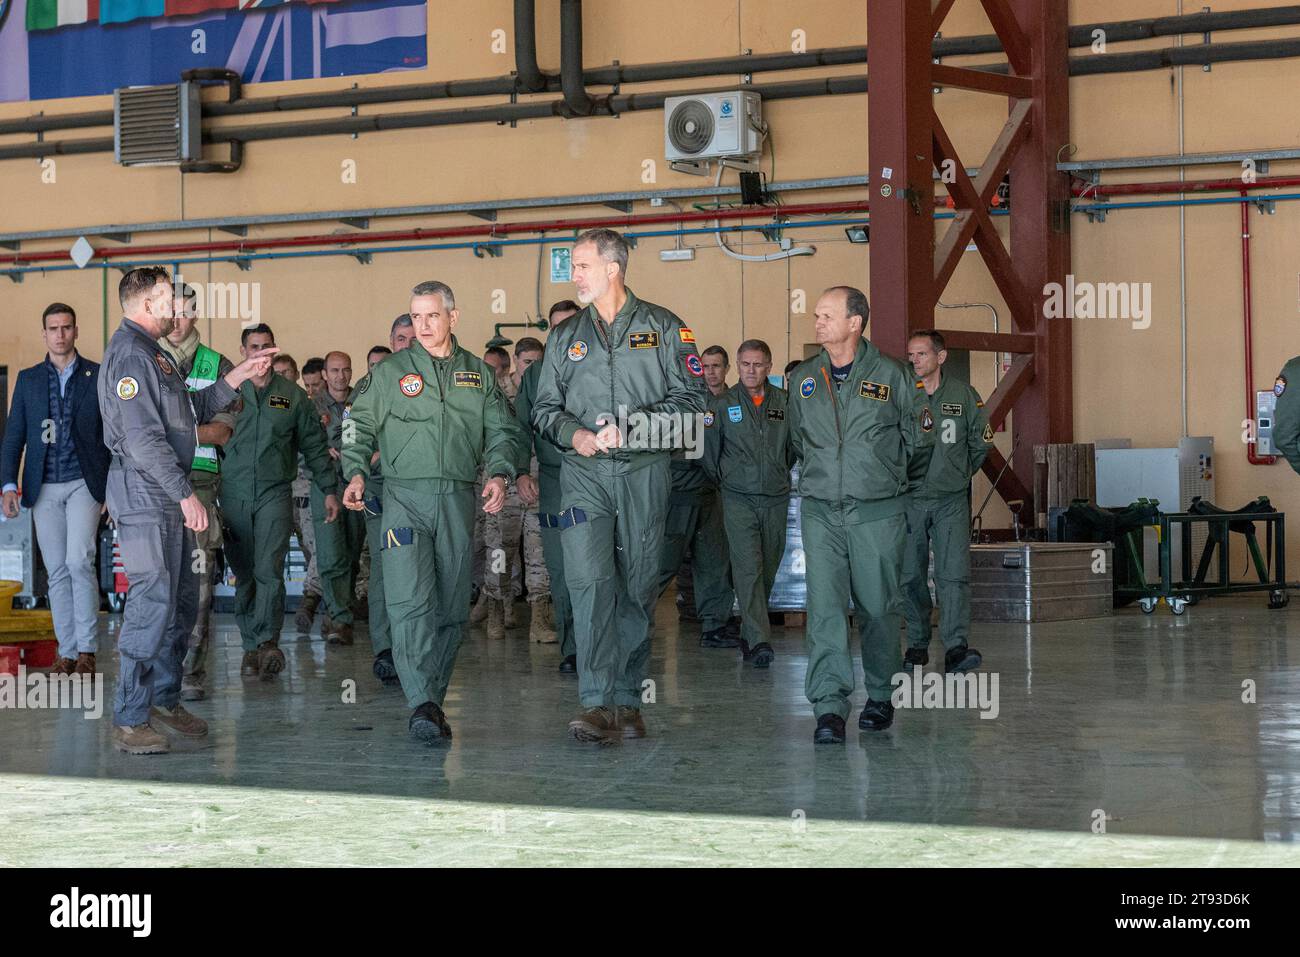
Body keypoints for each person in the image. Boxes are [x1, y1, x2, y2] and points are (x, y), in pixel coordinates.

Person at [532, 229, 707, 743]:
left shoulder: (666, 328)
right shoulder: (565, 337)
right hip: (584, 476)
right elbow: (544, 409)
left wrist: (631, 427)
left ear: (613, 268)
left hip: (643, 473)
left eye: (582, 265)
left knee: (638, 583)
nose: (573, 275)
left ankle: (628, 698)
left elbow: (694, 406)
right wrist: (576, 434)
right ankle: (596, 702)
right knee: (587, 584)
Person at [98, 266, 274, 754]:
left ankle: (163, 697)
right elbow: (143, 438)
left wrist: (237, 374)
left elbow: (188, 411)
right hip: (145, 492)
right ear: (144, 303)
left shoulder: (156, 355)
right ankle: (131, 718)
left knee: (177, 605)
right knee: (152, 601)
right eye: (166, 299)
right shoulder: (131, 355)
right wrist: (184, 493)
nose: (177, 308)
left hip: (162, 491)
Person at [341, 280, 525, 744]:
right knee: (410, 603)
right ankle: (420, 699)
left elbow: (503, 432)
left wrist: (499, 474)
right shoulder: (389, 374)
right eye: (415, 317)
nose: (422, 326)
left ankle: (431, 700)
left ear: (453, 318)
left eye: (432, 316)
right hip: (403, 500)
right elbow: (355, 425)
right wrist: (356, 471)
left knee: (450, 606)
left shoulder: (478, 375)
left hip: (458, 501)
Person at [787, 286, 916, 744]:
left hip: (876, 512)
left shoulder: (893, 375)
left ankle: (881, 694)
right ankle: (829, 707)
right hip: (821, 511)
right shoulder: (804, 378)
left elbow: (916, 442)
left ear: (855, 322)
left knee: (878, 607)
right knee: (823, 610)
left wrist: (880, 478)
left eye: (826, 315)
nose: (817, 322)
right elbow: (799, 441)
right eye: (817, 315)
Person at [222, 324, 339, 680]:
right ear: (243, 352)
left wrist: (329, 488)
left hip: (274, 492)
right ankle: (249, 645)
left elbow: (315, 445)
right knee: (243, 575)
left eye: (266, 347)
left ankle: (267, 643)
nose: (260, 352)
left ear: (274, 350)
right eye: (253, 347)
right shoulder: (227, 391)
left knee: (269, 569)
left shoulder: (291, 395)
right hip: (233, 493)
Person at [1, 302, 110, 675]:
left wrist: (112, 488)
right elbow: (13, 436)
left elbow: (111, 435)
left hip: (85, 483)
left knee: (80, 560)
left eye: (66, 327)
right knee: (57, 569)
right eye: (53, 328)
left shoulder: (97, 375)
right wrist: (8, 485)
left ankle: (88, 652)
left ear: (76, 331)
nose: (60, 334)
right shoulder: (29, 380)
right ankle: (67, 653)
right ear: (44, 334)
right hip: (42, 486)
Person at [158, 285, 240, 701]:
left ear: (196, 315)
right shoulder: (145, 359)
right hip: (153, 489)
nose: (176, 322)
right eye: (168, 313)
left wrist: (161, 435)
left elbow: (221, 431)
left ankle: (190, 674)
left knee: (198, 587)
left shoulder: (217, 364)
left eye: (184, 313)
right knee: (155, 585)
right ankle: (156, 674)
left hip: (200, 486)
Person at [902, 330, 991, 675]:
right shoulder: (904, 395)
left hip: (950, 500)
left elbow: (981, 441)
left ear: (940, 357)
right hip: (910, 498)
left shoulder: (964, 396)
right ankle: (917, 644)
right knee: (909, 574)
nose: (914, 361)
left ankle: (956, 647)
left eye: (921, 354)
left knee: (952, 575)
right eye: (911, 355)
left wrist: (959, 472)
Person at [702, 339, 793, 668]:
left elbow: (792, 448)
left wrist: (777, 472)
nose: (751, 370)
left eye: (758, 364)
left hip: (775, 497)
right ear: (737, 367)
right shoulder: (722, 405)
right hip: (738, 498)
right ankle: (758, 640)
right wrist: (730, 479)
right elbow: (709, 455)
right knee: (748, 568)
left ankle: (751, 628)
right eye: (745, 364)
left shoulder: (784, 402)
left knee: (768, 566)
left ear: (769, 366)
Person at [346, 317, 415, 687]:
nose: (407, 345)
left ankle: (417, 646)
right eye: (401, 339)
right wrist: (368, 458)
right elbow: (352, 429)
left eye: (414, 338)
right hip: (380, 489)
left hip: (425, 491)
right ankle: (386, 648)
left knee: (423, 568)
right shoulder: (371, 383)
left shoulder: (438, 381)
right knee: (386, 567)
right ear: (392, 341)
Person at [515, 301, 581, 671]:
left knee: (600, 566)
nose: (562, 332)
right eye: (556, 327)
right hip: (555, 481)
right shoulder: (536, 374)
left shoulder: (603, 365)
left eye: (570, 325)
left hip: (596, 476)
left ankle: (604, 646)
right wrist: (522, 472)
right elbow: (521, 427)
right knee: (560, 567)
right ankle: (572, 647)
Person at [312, 351, 365, 644]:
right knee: (332, 554)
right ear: (324, 373)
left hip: (356, 484)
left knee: (352, 553)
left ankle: (339, 610)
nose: (340, 376)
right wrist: (322, 452)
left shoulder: (362, 400)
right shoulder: (313, 406)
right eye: (334, 370)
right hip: (326, 485)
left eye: (345, 370)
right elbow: (303, 444)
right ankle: (340, 620)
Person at [292, 356, 326, 629]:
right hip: (292, 485)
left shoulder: (337, 409)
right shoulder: (299, 406)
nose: (312, 390)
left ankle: (311, 598)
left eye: (316, 384)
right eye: (308, 385)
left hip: (319, 486)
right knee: (309, 549)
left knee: (319, 547)